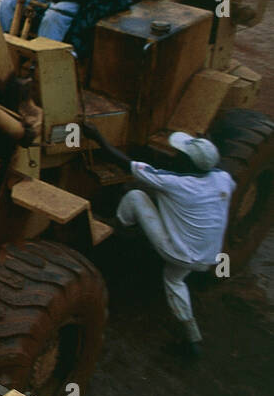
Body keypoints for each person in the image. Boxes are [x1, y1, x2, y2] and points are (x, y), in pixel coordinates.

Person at [84, 123, 233, 358]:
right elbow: (217, 165)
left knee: (135, 195)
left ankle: (116, 230)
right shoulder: (223, 178)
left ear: (188, 163)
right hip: (206, 255)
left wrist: (97, 136)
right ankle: (192, 338)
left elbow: (124, 163)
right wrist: (207, 144)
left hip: (177, 251)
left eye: (180, 155)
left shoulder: (174, 183)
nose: (175, 156)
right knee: (174, 280)